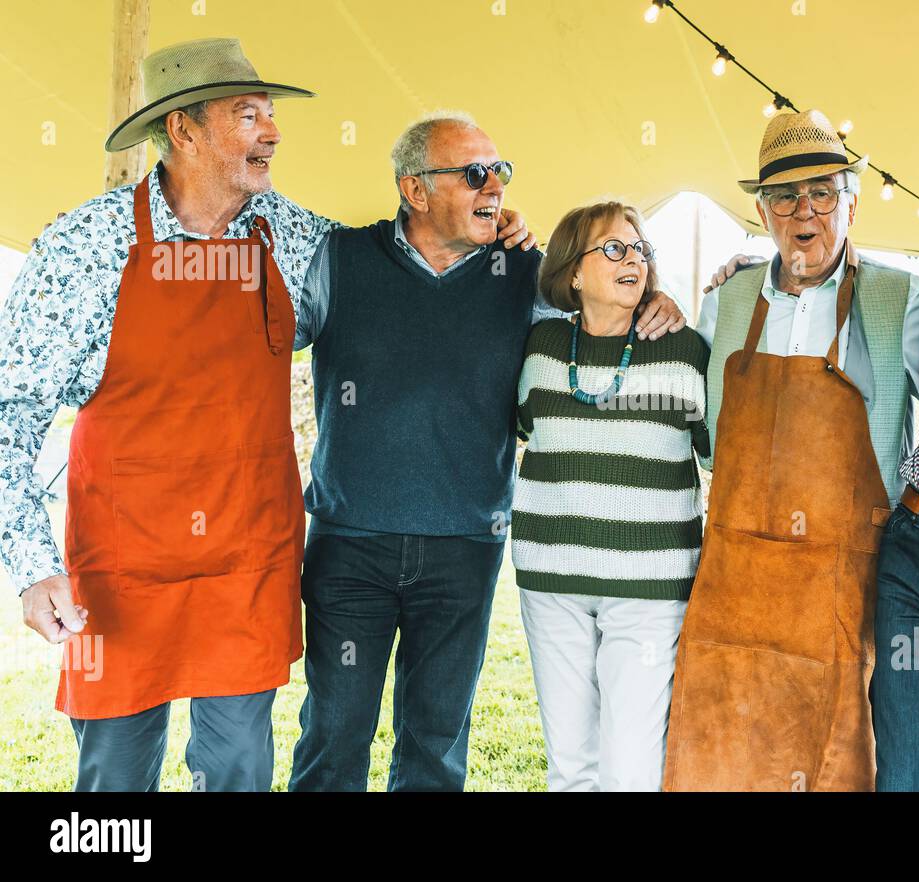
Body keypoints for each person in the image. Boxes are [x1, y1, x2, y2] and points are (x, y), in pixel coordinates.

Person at [1, 39, 533, 792]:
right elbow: (8, 414)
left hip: (246, 566)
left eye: (272, 115)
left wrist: (499, 232)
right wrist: (30, 567)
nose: (274, 132)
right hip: (122, 572)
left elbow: (412, 260)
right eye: (249, 115)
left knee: (242, 767)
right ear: (182, 130)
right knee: (115, 779)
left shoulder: (297, 240)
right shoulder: (83, 248)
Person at [287, 115, 686, 791]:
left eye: (500, 171)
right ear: (415, 190)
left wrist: (659, 300)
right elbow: (254, 336)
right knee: (334, 732)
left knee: (437, 744)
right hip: (350, 544)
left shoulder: (525, 274)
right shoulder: (339, 259)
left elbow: (609, 321)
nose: (494, 185)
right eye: (475, 173)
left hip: (463, 549)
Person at [662, 109, 919, 791]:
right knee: (718, 750)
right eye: (784, 195)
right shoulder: (727, 297)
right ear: (761, 209)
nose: (804, 210)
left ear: (852, 203)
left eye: (823, 192)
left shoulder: (904, 299)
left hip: (843, 586)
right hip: (734, 580)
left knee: (836, 758)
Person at [514, 201, 709, 791]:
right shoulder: (540, 346)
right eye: (614, 248)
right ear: (573, 272)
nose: (634, 259)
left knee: (631, 768)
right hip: (551, 582)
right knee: (572, 764)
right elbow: (522, 428)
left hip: (648, 589)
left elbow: (718, 450)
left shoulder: (684, 350)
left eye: (640, 248)